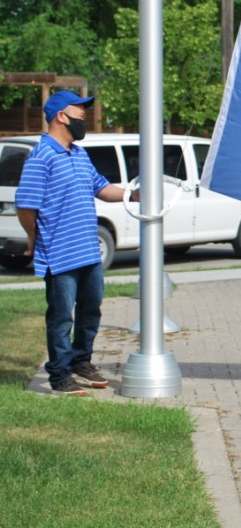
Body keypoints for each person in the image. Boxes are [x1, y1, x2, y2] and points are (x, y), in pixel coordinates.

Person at [16, 90, 137, 396]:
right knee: (61, 317)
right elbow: (26, 205)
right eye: (80, 113)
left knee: (90, 311)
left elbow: (101, 188)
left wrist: (132, 195)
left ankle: (81, 361)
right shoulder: (41, 156)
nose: (85, 118)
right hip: (59, 254)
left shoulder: (80, 154)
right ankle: (59, 376)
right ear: (61, 116)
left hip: (88, 251)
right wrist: (33, 236)